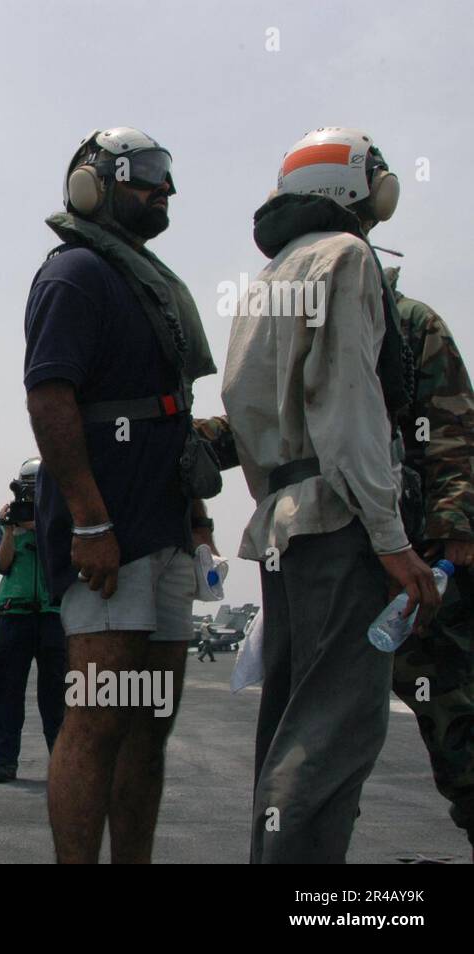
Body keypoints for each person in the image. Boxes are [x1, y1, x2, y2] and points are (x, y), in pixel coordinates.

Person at [221, 127, 440, 863]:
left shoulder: (271, 277)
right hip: (341, 521)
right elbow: (349, 411)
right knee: (337, 730)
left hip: (285, 522)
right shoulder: (346, 259)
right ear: (358, 184)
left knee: (290, 721)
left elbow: (248, 415)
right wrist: (391, 538)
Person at [24, 128, 217, 863]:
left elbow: (171, 411)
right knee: (99, 718)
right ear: (91, 185)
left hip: (164, 526)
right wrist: (91, 519)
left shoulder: (145, 282)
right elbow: (49, 397)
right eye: (143, 175)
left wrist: (195, 518)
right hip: (111, 533)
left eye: (167, 174)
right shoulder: (75, 272)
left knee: (149, 722)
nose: (162, 188)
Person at [384, 267, 474, 856]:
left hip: (426, 553)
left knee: (452, 705)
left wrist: (454, 531)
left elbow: (454, 429)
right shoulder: (301, 321)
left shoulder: (409, 322)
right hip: (351, 551)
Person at [0, 457, 66, 783]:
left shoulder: (60, 515)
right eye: (27, 489)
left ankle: (62, 761)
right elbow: (1, 565)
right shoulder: (9, 518)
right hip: (14, 612)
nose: (31, 497)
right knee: (4, 688)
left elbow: (62, 561)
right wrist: (9, 531)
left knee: (58, 693)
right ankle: (4, 762)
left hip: (52, 613)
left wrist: (42, 527)